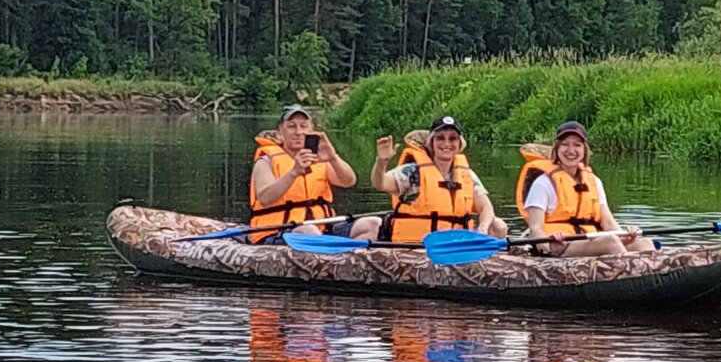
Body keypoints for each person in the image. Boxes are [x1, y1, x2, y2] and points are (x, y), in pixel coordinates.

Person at [249, 104, 383, 245]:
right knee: (309, 231)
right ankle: (328, 252)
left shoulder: (319, 158)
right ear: (280, 133)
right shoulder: (266, 161)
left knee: (373, 224)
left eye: (303, 126)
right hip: (279, 231)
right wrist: (294, 172)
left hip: (323, 228)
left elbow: (348, 181)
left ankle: (348, 255)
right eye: (292, 126)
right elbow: (265, 198)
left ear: (311, 131)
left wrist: (333, 157)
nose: (298, 132)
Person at [519, 121, 656, 257]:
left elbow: (609, 224)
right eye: (565, 144)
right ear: (557, 149)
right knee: (610, 242)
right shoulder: (543, 183)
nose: (571, 150)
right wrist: (546, 248)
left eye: (577, 145)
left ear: (584, 150)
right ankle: (630, 268)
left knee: (643, 243)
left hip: (590, 239)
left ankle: (649, 269)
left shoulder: (594, 181)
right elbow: (535, 228)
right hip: (560, 245)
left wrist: (626, 236)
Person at [371, 115, 508, 243]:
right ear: (431, 143)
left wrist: (483, 227)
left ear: (459, 145)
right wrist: (381, 162)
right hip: (417, 244)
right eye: (440, 138)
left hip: (455, 243)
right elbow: (380, 184)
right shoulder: (413, 172)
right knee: (367, 224)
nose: (446, 143)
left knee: (498, 226)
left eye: (452, 139)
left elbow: (486, 207)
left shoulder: (467, 175)